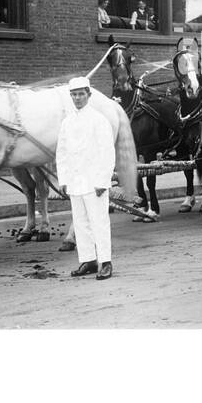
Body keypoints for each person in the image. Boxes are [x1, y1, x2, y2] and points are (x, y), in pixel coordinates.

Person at [56, 76, 116, 280]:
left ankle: (105, 261)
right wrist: (63, 179)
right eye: (74, 94)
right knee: (80, 223)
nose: (77, 98)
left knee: (99, 222)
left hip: (94, 182)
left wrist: (102, 181)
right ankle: (88, 260)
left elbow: (107, 152)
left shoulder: (99, 120)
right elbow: (61, 153)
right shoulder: (67, 122)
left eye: (81, 94)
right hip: (75, 181)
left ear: (89, 95)